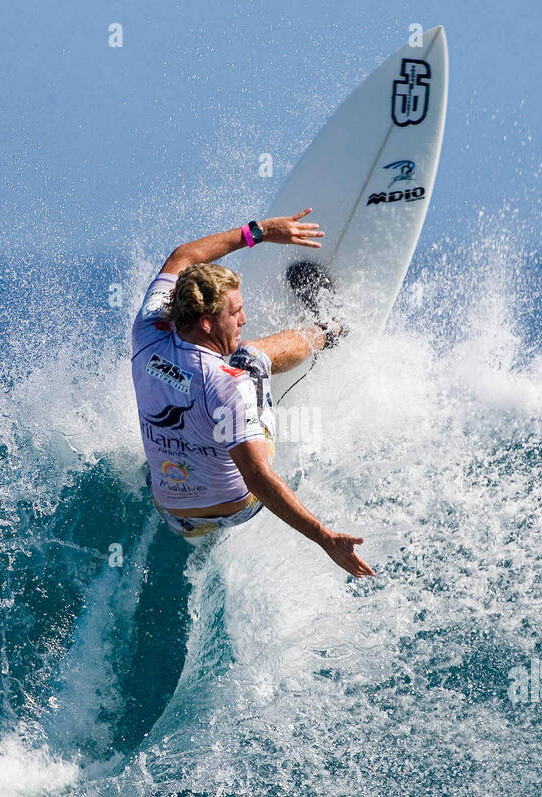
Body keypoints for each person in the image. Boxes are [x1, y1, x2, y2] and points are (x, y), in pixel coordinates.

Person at [130, 210, 375, 578]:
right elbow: (258, 478)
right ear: (207, 322)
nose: (244, 319)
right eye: (236, 312)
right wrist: (324, 537)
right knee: (251, 356)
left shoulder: (147, 330)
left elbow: (182, 257)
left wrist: (257, 232)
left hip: (175, 516)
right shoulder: (228, 382)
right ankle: (333, 325)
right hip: (238, 507)